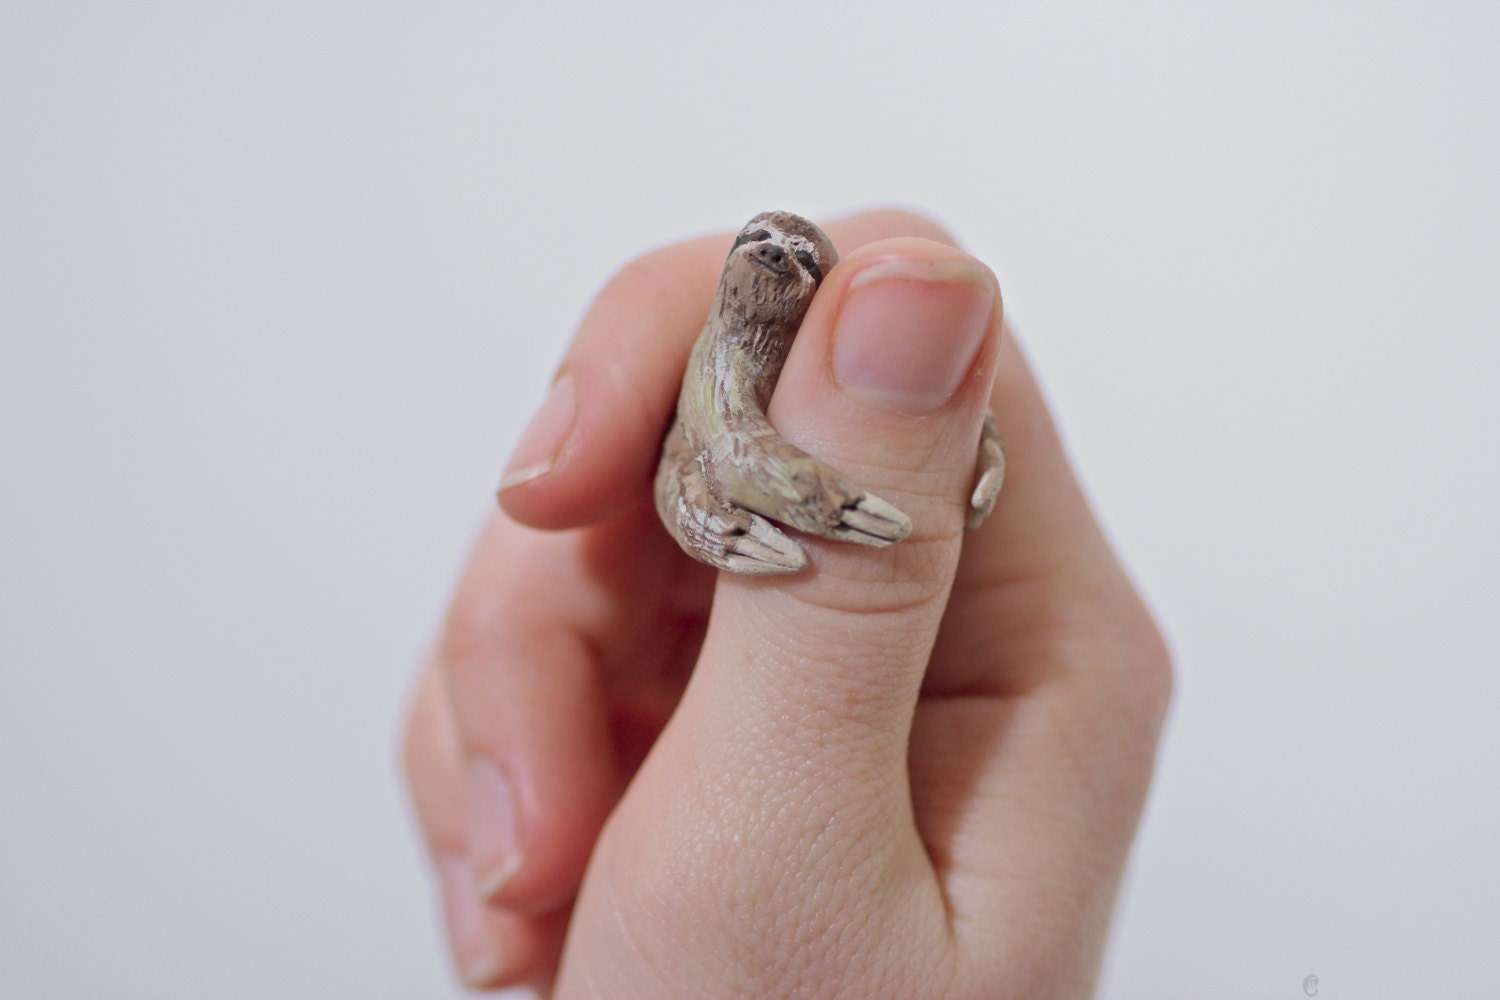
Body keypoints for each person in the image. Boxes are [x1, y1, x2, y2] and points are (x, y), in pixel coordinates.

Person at [400, 208, 1172, 997]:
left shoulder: (799, 338)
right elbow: (726, 441)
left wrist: (972, 454)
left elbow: (984, 440)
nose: (774, 262)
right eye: (759, 249)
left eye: (796, 261)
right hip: (695, 480)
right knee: (699, 480)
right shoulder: (725, 344)